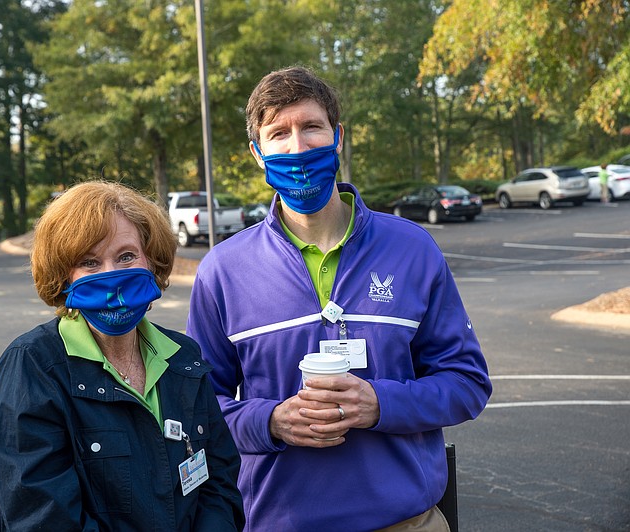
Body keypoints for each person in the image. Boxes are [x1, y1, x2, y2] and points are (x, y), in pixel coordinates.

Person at [186, 66, 492, 531]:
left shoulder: (412, 248)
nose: (298, 147)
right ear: (257, 153)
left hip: (408, 522)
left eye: (311, 127)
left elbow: (467, 384)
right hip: (277, 522)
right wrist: (270, 421)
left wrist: (380, 404)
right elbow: (199, 411)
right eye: (278, 133)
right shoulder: (222, 270)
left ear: (338, 137)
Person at [0, 181, 245, 531]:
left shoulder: (184, 358)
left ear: (152, 261)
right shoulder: (32, 366)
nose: (112, 277)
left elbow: (220, 484)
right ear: (64, 276)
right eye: (89, 263)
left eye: (126, 256)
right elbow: (41, 516)